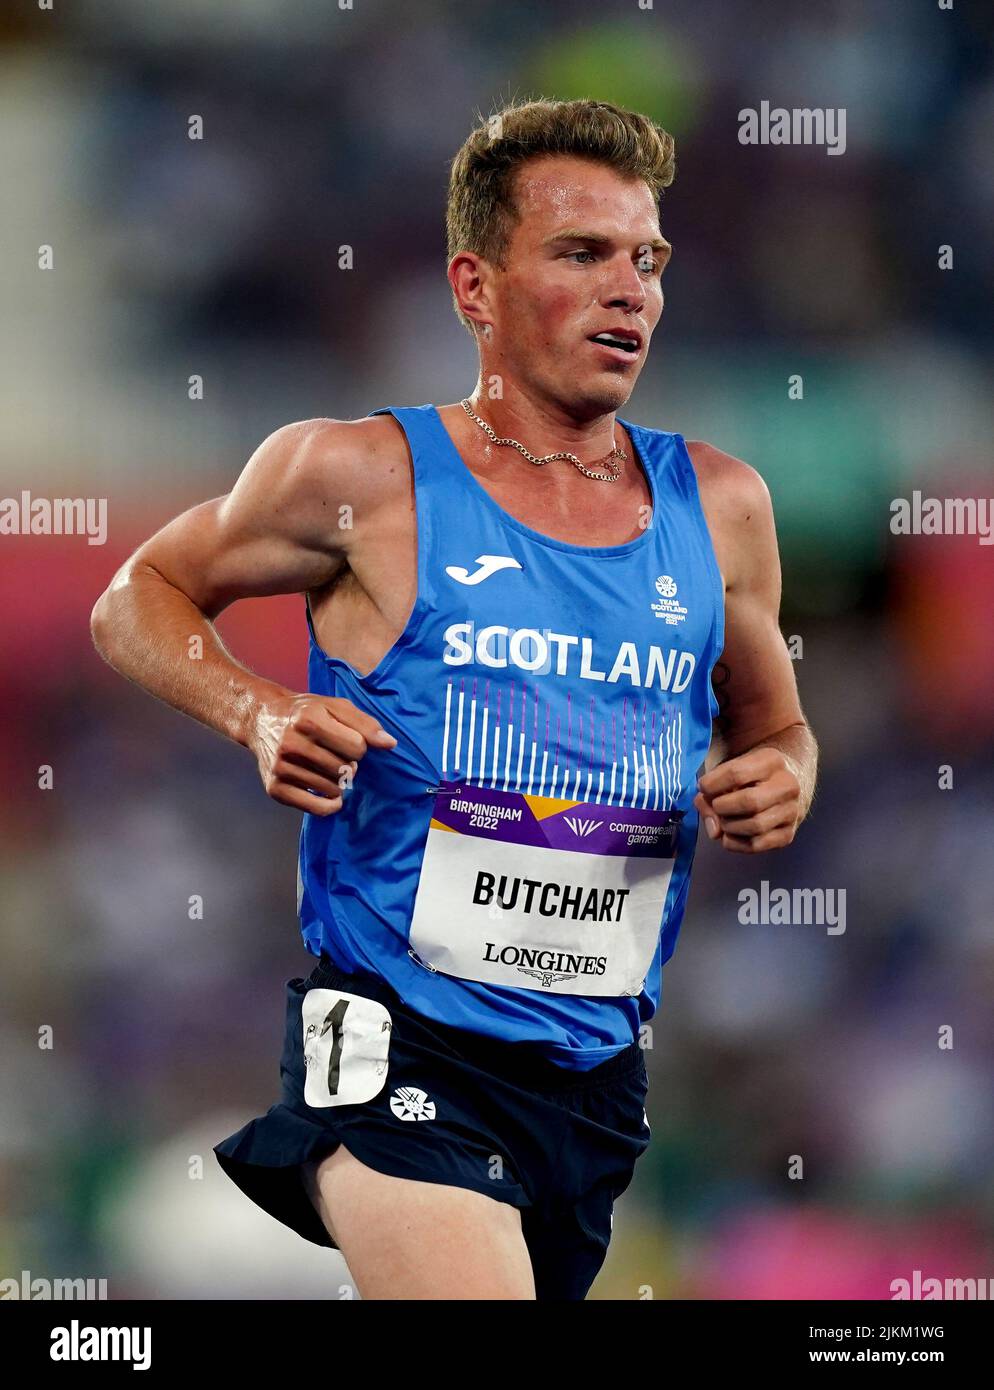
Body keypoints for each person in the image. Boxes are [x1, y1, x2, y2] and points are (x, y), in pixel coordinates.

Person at [90, 97, 818, 1301]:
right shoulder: (360, 475)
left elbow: (776, 727)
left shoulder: (721, 506)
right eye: (581, 253)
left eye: (646, 260)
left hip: (593, 1071)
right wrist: (256, 709)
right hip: (395, 1041)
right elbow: (136, 597)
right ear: (475, 286)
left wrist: (783, 773)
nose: (628, 289)